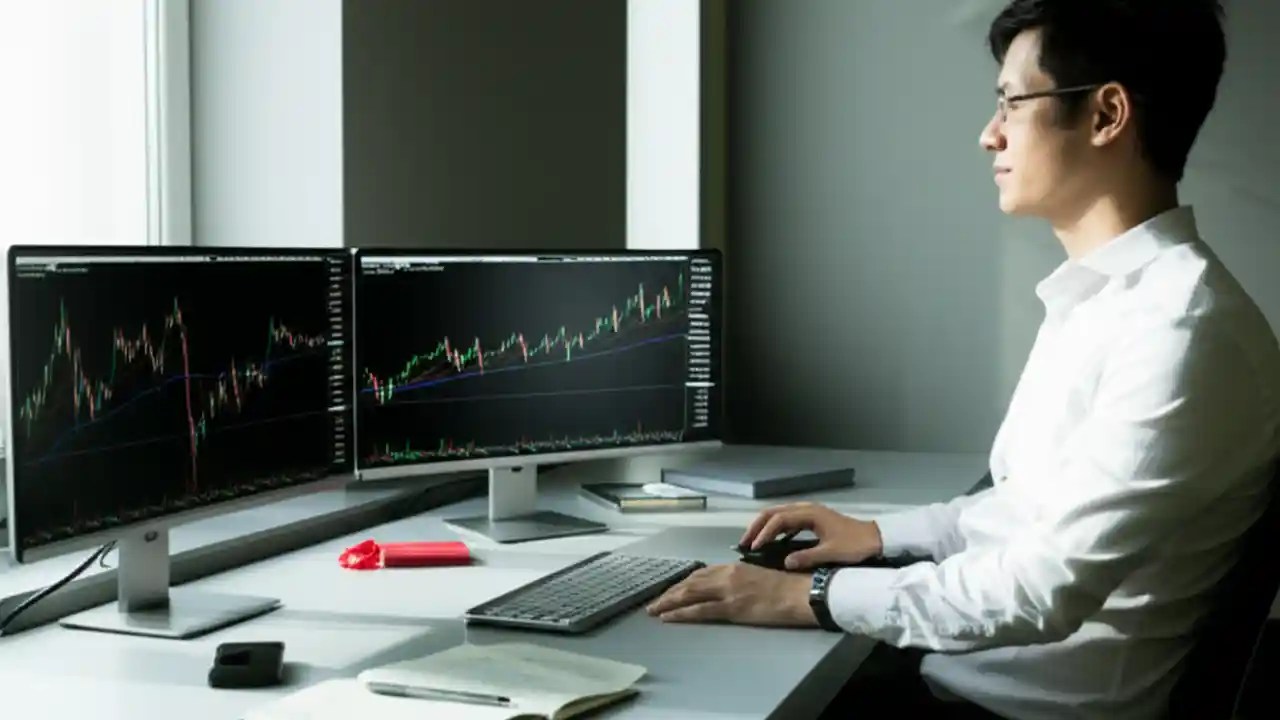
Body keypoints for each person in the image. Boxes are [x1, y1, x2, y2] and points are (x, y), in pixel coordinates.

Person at [646, 1, 1280, 718]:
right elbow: (1027, 512)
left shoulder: (1180, 330)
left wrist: (808, 596)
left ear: (1107, 116)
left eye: (1012, 102)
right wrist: (878, 536)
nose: (989, 135)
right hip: (961, 682)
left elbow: (1038, 592)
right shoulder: (1108, 299)